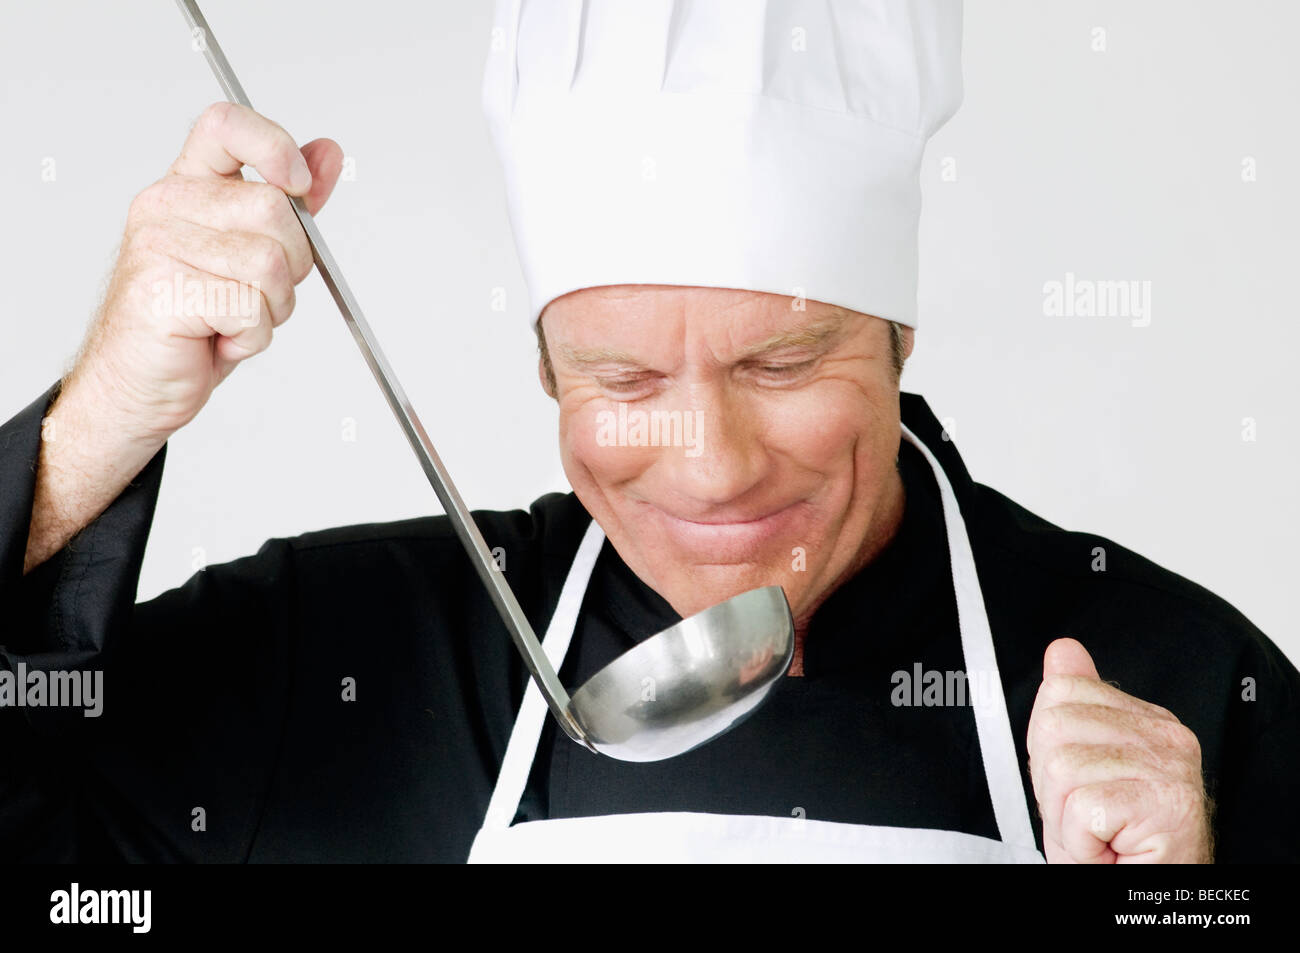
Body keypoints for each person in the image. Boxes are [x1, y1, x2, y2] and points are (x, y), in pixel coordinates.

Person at [2, 0, 1297, 863]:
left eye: (782, 360)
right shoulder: (335, 667)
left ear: (899, 338)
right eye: (621, 379)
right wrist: (95, 426)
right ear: (544, 368)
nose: (714, 464)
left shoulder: (1179, 686)